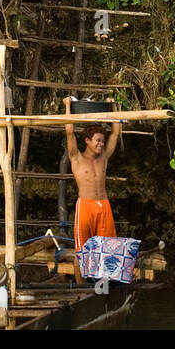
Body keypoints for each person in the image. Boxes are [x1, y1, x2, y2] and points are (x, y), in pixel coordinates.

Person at [64, 95, 122, 283]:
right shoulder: (77, 158)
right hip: (86, 206)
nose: (101, 144)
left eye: (102, 141)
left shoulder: (103, 157)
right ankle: (81, 288)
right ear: (87, 140)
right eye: (97, 141)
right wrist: (67, 106)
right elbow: (69, 132)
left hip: (103, 205)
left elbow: (115, 133)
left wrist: (113, 107)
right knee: (81, 250)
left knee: (108, 248)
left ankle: (104, 286)